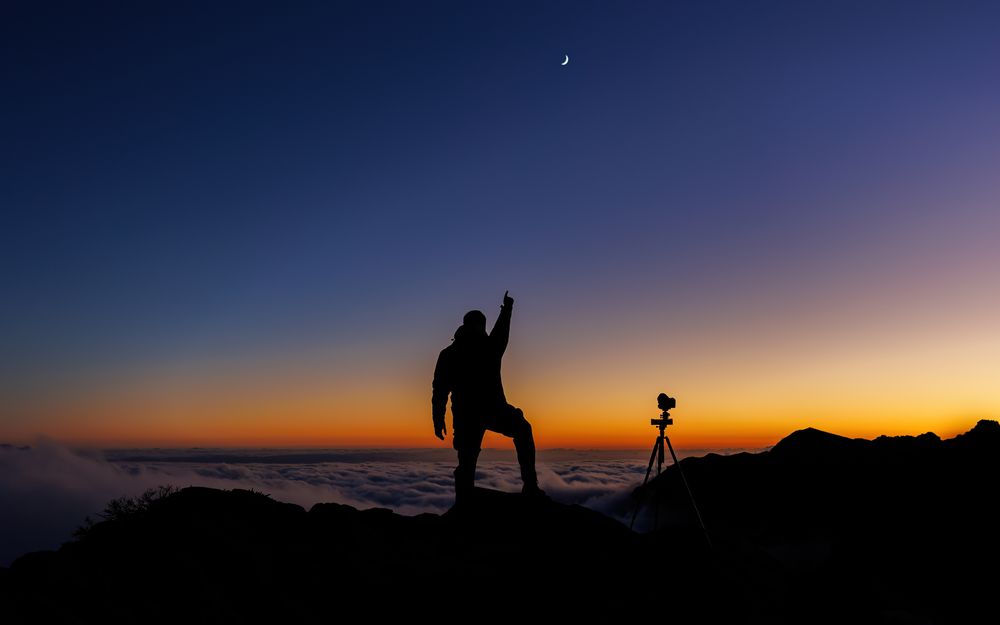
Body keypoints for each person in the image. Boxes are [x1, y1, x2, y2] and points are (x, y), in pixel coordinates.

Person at [432, 291, 543, 502]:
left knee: (468, 458)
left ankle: (466, 501)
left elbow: (439, 390)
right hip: (488, 410)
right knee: (519, 432)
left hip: (471, 414)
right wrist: (507, 309)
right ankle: (529, 486)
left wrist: (438, 418)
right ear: (481, 325)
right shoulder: (487, 347)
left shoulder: (451, 353)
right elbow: (501, 332)